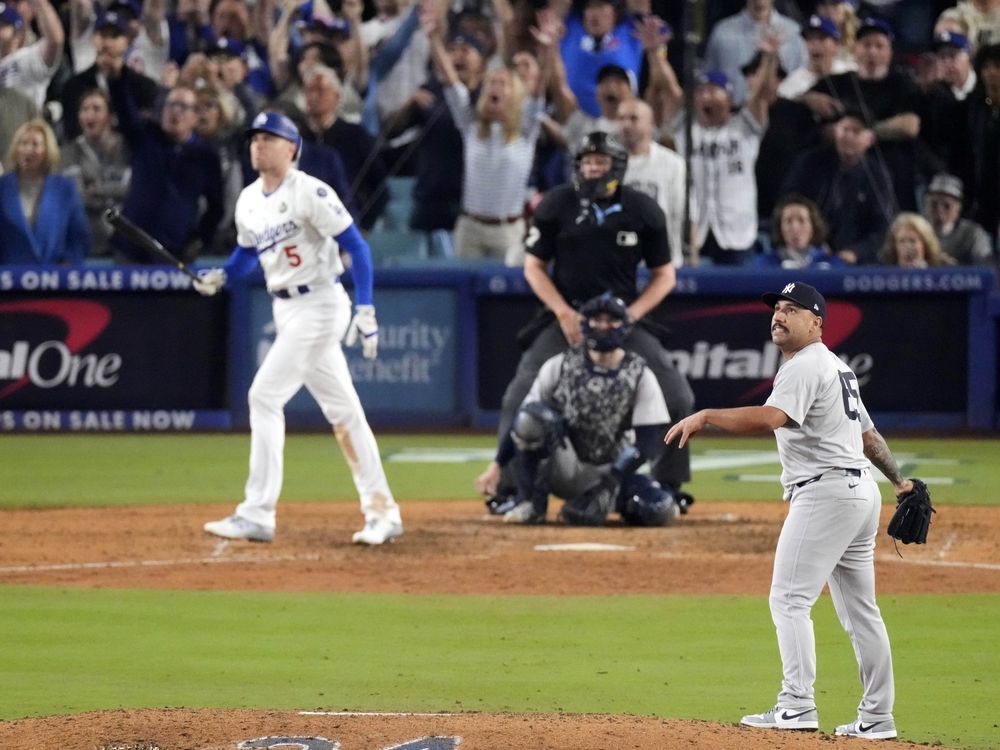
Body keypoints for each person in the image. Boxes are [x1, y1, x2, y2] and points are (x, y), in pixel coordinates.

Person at [665, 281, 910, 741]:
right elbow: (868, 437)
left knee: (789, 599)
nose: (779, 315)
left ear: (816, 323)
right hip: (860, 494)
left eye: (792, 310)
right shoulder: (839, 368)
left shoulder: (804, 365)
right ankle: (877, 717)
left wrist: (706, 415)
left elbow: (771, 417)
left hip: (827, 495)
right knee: (862, 613)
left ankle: (796, 705)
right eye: (777, 308)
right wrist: (899, 481)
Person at [195, 111, 404, 547]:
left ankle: (257, 513)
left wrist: (366, 308)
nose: (259, 145)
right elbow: (246, 255)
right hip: (286, 307)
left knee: (263, 396)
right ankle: (383, 512)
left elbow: (357, 247)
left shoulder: (309, 190)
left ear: (292, 148)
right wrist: (221, 276)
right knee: (345, 412)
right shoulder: (249, 200)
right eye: (255, 138)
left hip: (322, 304)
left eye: (270, 138)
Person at [478, 131, 695, 512]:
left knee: (678, 396)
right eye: (587, 162)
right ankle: (512, 489)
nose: (592, 168)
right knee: (520, 394)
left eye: (600, 162)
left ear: (617, 167)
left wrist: (632, 315)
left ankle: (669, 484)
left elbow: (666, 275)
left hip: (622, 319)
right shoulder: (555, 204)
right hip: (570, 317)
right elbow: (534, 267)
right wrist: (562, 311)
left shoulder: (643, 209)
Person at [478, 292, 678, 526]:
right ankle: (530, 502)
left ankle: (599, 503)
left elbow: (648, 440)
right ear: (585, 324)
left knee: (658, 509)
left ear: (624, 326)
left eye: (611, 320)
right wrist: (497, 465)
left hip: (613, 468)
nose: (604, 326)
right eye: (597, 320)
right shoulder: (559, 364)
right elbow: (523, 422)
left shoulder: (640, 372)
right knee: (533, 418)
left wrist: (610, 483)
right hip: (565, 463)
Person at [107, 75, 224, 261]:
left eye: (183, 107)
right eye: (171, 105)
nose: (175, 112)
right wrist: (116, 76)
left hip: (174, 254)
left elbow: (216, 207)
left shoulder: (206, 155)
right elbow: (124, 110)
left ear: (195, 117)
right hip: (130, 250)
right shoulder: (146, 137)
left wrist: (200, 240)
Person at [781, 109, 896, 264]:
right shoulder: (810, 164)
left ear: (870, 139)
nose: (848, 136)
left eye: (856, 131)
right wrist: (814, 244)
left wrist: (855, 252)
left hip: (858, 260)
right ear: (835, 132)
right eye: (844, 129)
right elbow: (789, 204)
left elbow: (883, 226)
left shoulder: (877, 175)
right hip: (809, 256)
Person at [0, 119, 90, 264]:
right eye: (23, 143)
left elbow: (78, 238)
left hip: (53, 280)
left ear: (47, 150)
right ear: (16, 148)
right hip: (9, 278)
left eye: (35, 144)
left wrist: (67, 268)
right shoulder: (2, 187)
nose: (28, 150)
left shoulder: (65, 189)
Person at [60, 89, 132, 258]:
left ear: (111, 117)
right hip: (88, 245)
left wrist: (99, 189)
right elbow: (78, 197)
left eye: (96, 109)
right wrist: (116, 191)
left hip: (126, 245)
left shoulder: (128, 149)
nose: (89, 114)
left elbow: (135, 191)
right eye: (84, 109)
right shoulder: (68, 153)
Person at [753, 194, 844, 269]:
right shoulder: (763, 264)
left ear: (813, 227)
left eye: (801, 220)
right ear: (780, 228)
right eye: (788, 221)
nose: (795, 227)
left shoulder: (833, 263)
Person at [921, 173, 995, 266]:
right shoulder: (914, 229)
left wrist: (956, 269)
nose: (939, 210)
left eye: (946, 206)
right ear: (925, 205)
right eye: (934, 204)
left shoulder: (973, 234)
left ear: (958, 209)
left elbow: (986, 268)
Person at [878, 212, 955, 268]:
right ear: (894, 246)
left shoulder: (941, 271)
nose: (907, 246)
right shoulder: (884, 275)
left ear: (925, 244)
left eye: (912, 241)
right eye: (901, 241)